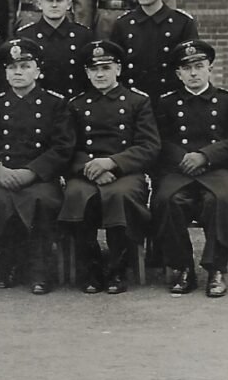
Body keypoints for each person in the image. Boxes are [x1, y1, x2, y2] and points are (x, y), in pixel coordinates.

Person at [57, 40, 160, 294]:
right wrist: (89, 167)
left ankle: (118, 270)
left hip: (124, 172)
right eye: (94, 70)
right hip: (87, 171)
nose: (100, 75)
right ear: (87, 73)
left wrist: (113, 163)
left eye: (106, 68)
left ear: (119, 69)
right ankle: (91, 270)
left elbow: (149, 145)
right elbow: (66, 148)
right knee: (76, 194)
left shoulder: (138, 101)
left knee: (120, 195)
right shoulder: (76, 105)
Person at [150, 39, 228, 299]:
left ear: (209, 69)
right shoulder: (166, 103)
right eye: (186, 68)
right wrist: (184, 158)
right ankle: (182, 267)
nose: (193, 73)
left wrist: (204, 156)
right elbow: (158, 140)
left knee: (223, 200)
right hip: (178, 168)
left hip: (217, 169)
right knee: (166, 200)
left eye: (199, 66)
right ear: (178, 73)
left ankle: (216, 269)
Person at [0, 40, 75, 294]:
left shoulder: (55, 104)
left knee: (43, 202)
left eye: (25, 66)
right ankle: (7, 266)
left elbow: (62, 147)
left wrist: (32, 172)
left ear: (38, 70)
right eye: (12, 68)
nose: (18, 72)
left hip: (41, 176)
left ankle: (41, 271)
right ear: (5, 73)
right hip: (4, 174)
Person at [112, 0, 198, 101]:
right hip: (133, 103)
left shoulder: (182, 23)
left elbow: (191, 66)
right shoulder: (123, 24)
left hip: (171, 102)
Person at [14, 0, 93, 100]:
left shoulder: (83, 36)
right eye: (49, 0)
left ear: (69, 4)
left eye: (60, 0)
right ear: (39, 4)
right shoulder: (25, 37)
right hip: (39, 106)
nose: (54, 5)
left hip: (74, 103)